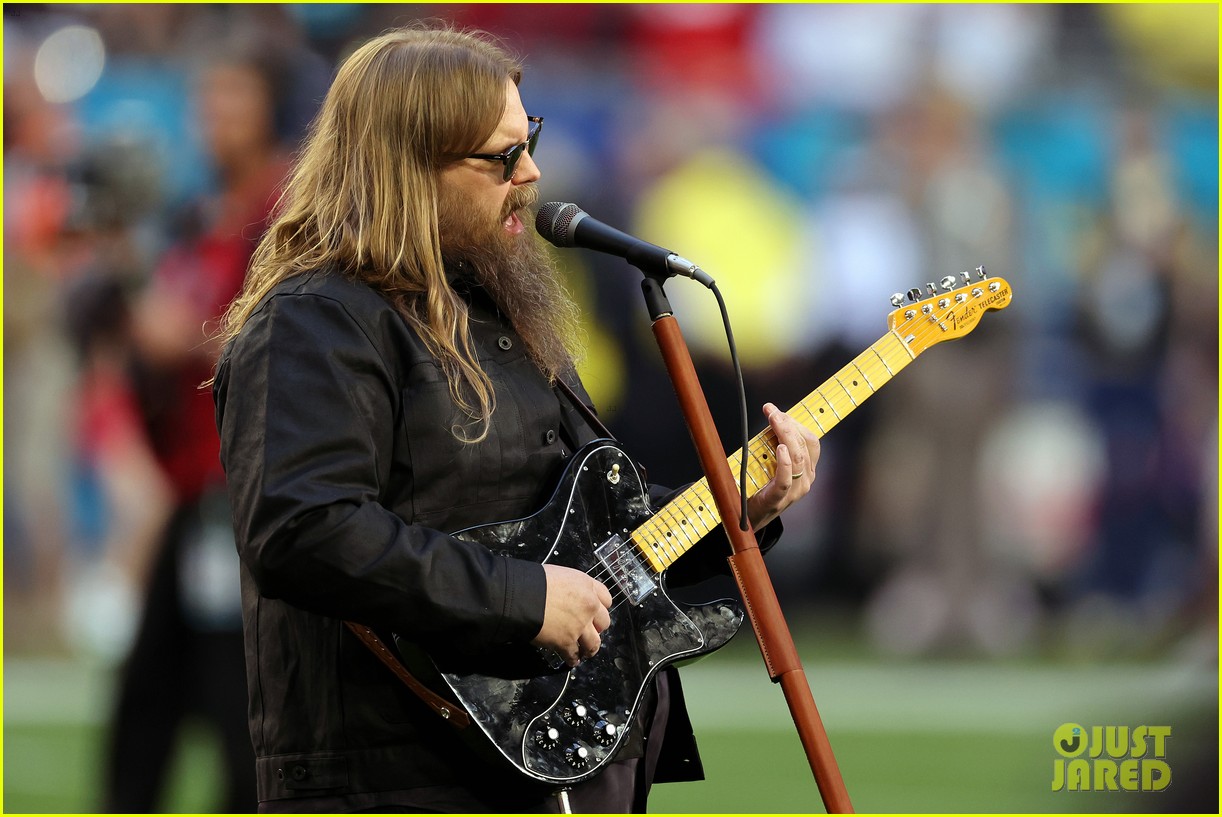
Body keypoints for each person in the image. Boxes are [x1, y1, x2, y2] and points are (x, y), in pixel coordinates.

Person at [212, 25, 820, 813]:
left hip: (553, 765)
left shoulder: (500, 308)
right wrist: (521, 596)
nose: (530, 172)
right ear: (407, 166)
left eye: (527, 140)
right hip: (403, 775)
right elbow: (303, 526)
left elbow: (600, 541)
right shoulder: (314, 321)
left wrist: (747, 503)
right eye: (500, 157)